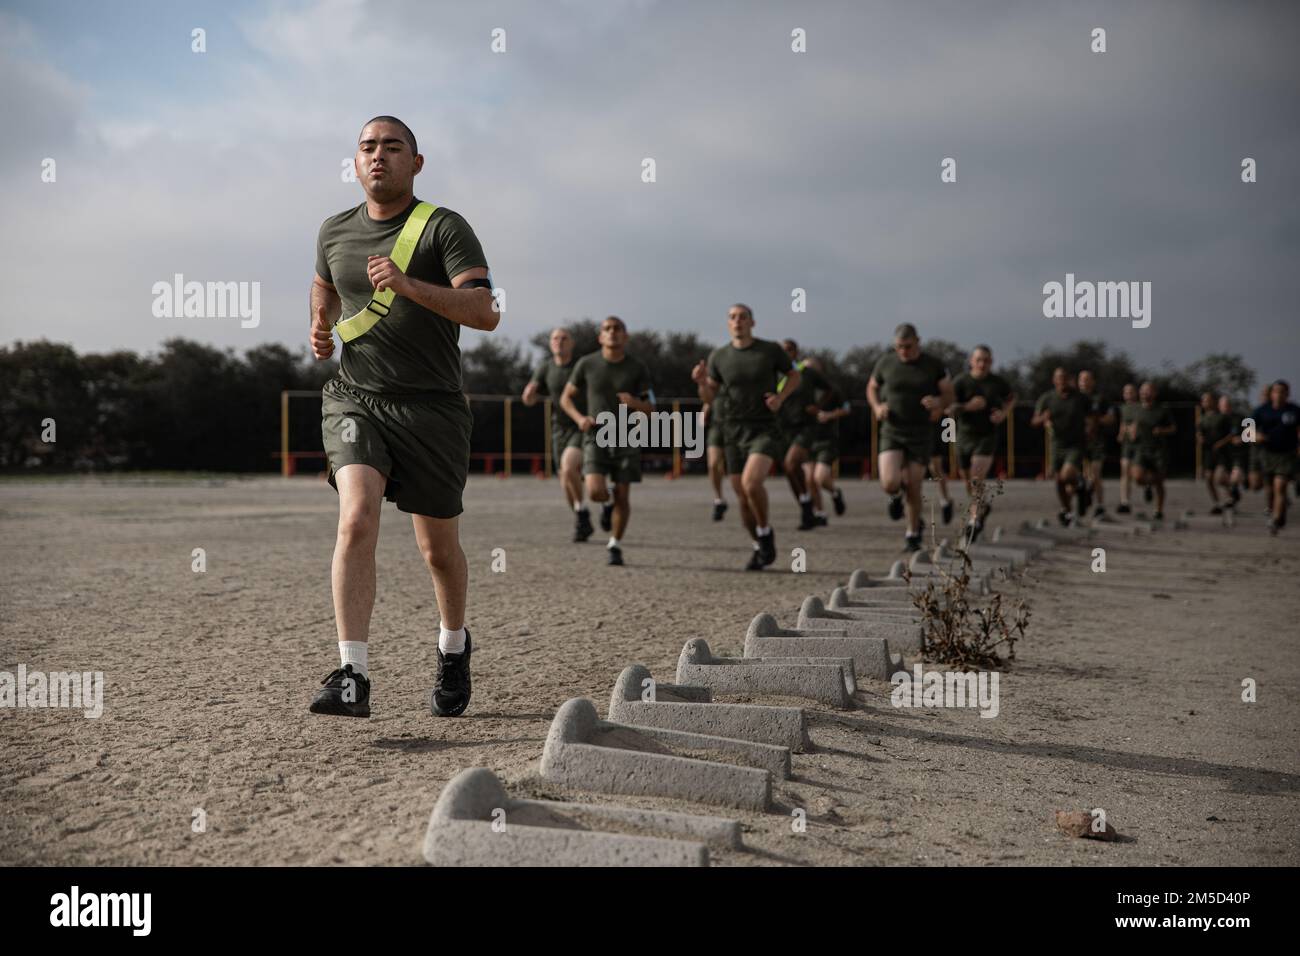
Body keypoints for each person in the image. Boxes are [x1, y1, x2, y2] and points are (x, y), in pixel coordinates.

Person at [308, 115, 498, 719]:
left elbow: (485, 310)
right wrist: (319, 322)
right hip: (355, 397)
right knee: (356, 518)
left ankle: (452, 646)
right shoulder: (333, 229)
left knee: (438, 551)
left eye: (393, 147)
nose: (378, 156)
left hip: (432, 407)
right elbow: (325, 285)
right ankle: (352, 674)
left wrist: (409, 286)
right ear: (355, 162)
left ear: (417, 163)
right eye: (367, 147)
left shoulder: (444, 227)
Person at [692, 304, 799, 570]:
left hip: (763, 427)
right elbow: (710, 396)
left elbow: (794, 375)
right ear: (728, 324)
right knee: (742, 495)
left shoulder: (770, 350)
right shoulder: (719, 356)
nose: (737, 321)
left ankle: (765, 532)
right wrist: (702, 383)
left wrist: (781, 397)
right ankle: (757, 544)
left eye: (742, 317)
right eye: (732, 317)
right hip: (732, 430)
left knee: (752, 484)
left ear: (753, 322)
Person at [559, 316, 655, 566]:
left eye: (618, 329)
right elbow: (565, 399)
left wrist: (635, 404)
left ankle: (615, 544)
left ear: (626, 336)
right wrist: (579, 418)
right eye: (607, 329)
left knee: (624, 495)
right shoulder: (587, 364)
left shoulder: (638, 367)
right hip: (595, 435)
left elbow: (651, 407)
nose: (612, 333)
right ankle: (607, 501)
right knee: (595, 491)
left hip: (627, 436)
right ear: (600, 337)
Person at [867, 324, 954, 551]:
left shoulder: (932, 365)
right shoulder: (886, 363)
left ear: (918, 342)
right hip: (892, 430)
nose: (903, 351)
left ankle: (913, 533)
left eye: (908, 346)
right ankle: (894, 496)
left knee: (914, 484)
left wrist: (938, 402)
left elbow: (948, 392)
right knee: (889, 482)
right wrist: (877, 406)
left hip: (920, 432)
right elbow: (872, 387)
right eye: (899, 347)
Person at [522, 327, 592, 541]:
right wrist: (529, 395)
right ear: (550, 344)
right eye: (555, 338)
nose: (559, 341)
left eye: (564, 338)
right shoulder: (545, 368)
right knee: (565, 481)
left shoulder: (581, 367)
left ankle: (582, 513)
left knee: (570, 467)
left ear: (571, 343)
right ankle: (581, 516)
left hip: (581, 425)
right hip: (559, 428)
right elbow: (529, 399)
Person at [950, 344, 1016, 544]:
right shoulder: (961, 381)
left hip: (986, 436)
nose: (982, 364)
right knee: (968, 480)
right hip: (963, 436)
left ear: (991, 362)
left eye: (986, 360)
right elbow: (948, 408)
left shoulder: (996, 382)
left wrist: (1003, 413)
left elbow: (1011, 397)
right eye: (979, 360)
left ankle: (974, 521)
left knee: (978, 476)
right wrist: (968, 406)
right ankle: (981, 507)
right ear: (971, 361)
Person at [778, 340, 842, 530]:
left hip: (806, 426)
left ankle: (811, 508)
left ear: (796, 352)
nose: (785, 353)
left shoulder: (805, 373)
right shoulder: (775, 374)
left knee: (793, 464)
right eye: (782, 350)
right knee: (791, 471)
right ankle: (806, 506)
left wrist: (819, 406)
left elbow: (830, 389)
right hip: (784, 427)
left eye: (789, 350)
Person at [1031, 367, 1092, 525]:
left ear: (1070, 379)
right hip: (1057, 443)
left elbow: (1092, 417)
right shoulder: (1048, 398)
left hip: (1076, 443)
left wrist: (1090, 428)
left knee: (1066, 475)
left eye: (1065, 378)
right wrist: (1044, 417)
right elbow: (1034, 421)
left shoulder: (1079, 398)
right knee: (1058, 480)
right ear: (1054, 380)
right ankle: (1067, 510)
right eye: (1059, 378)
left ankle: (1080, 483)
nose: (1062, 381)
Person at [801, 355, 850, 523]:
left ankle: (835, 492)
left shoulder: (831, 389)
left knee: (820, 477)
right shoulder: (801, 389)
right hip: (806, 439)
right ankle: (819, 512)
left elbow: (846, 408)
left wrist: (830, 415)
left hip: (826, 439)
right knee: (809, 479)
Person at [1250, 380, 1300, 535]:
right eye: (1276, 391)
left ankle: (1276, 520)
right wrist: (1255, 435)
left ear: (1287, 394)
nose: (1278, 394)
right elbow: (1246, 430)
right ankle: (1277, 512)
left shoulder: (1294, 410)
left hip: (1287, 455)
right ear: (1271, 394)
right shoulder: (1261, 410)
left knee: (1280, 486)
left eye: (1282, 392)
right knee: (1270, 490)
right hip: (1267, 455)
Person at [1124, 381, 1176, 521]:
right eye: (1142, 390)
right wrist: (1131, 431)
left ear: (1154, 393)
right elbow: (1128, 425)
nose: (1144, 393)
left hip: (1158, 450)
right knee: (1137, 477)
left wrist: (1162, 430)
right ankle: (1147, 484)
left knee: (1159, 482)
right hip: (1141, 448)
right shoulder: (1135, 409)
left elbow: (1173, 428)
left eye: (1147, 391)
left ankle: (1158, 511)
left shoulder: (1162, 409)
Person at [1078, 369, 1115, 518]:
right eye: (1082, 379)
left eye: (1087, 379)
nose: (1085, 382)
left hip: (1097, 441)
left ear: (1093, 381)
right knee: (1081, 475)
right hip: (1078, 441)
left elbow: (1111, 418)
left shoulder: (1101, 399)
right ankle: (1082, 497)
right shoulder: (1074, 399)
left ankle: (1099, 505)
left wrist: (1096, 420)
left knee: (1096, 473)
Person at [1194, 391, 1232, 514]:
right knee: (1209, 479)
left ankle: (1230, 494)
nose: (1205, 403)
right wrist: (1199, 437)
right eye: (1203, 400)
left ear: (1214, 401)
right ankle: (1217, 503)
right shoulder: (1202, 418)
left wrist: (1221, 443)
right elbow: (1199, 432)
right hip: (1208, 452)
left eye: (1207, 400)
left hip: (1222, 452)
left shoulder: (1222, 417)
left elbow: (1231, 434)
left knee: (1219, 477)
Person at [703, 392, 729, 521]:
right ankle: (719, 499)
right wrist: (706, 409)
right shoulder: (714, 373)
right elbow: (708, 393)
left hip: (738, 424)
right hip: (717, 425)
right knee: (713, 463)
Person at [1116, 383, 1139, 514]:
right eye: (1126, 392)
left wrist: (1133, 430)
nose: (1128, 395)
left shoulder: (1139, 407)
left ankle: (1147, 485)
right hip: (1127, 444)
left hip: (1138, 444)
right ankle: (1125, 501)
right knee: (1124, 470)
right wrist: (1120, 433)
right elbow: (1123, 422)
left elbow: (1138, 422)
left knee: (1136, 474)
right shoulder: (1123, 408)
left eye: (1130, 392)